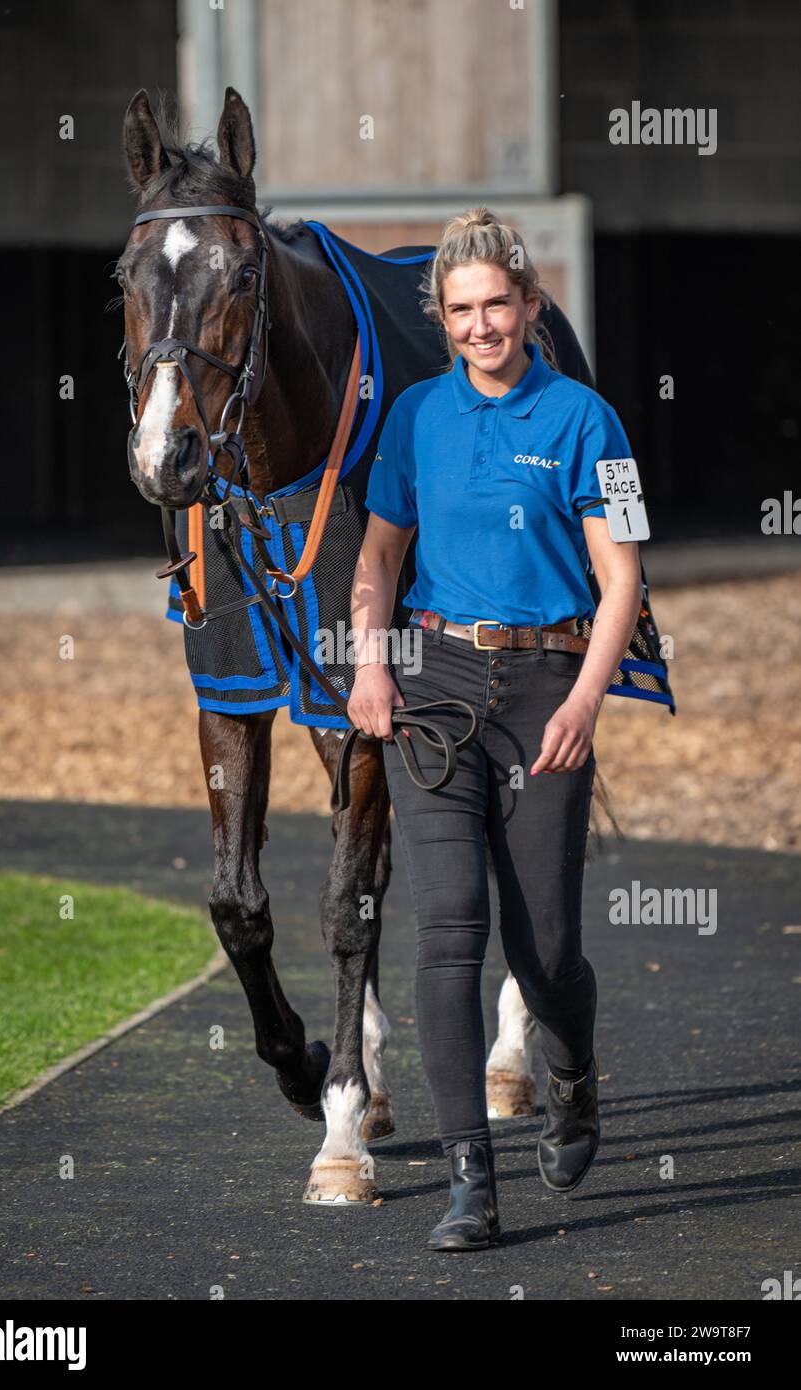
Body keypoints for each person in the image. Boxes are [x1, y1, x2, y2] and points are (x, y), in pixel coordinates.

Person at [347, 208, 642, 1252]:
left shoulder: (586, 420)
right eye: (460, 310)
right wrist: (369, 663)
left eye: (497, 305)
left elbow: (619, 578)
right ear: (441, 316)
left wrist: (582, 700)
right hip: (430, 682)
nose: (480, 326)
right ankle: (471, 1181)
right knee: (447, 930)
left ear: (526, 304)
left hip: (546, 686)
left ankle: (570, 1074)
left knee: (545, 946)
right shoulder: (413, 418)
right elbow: (378, 559)